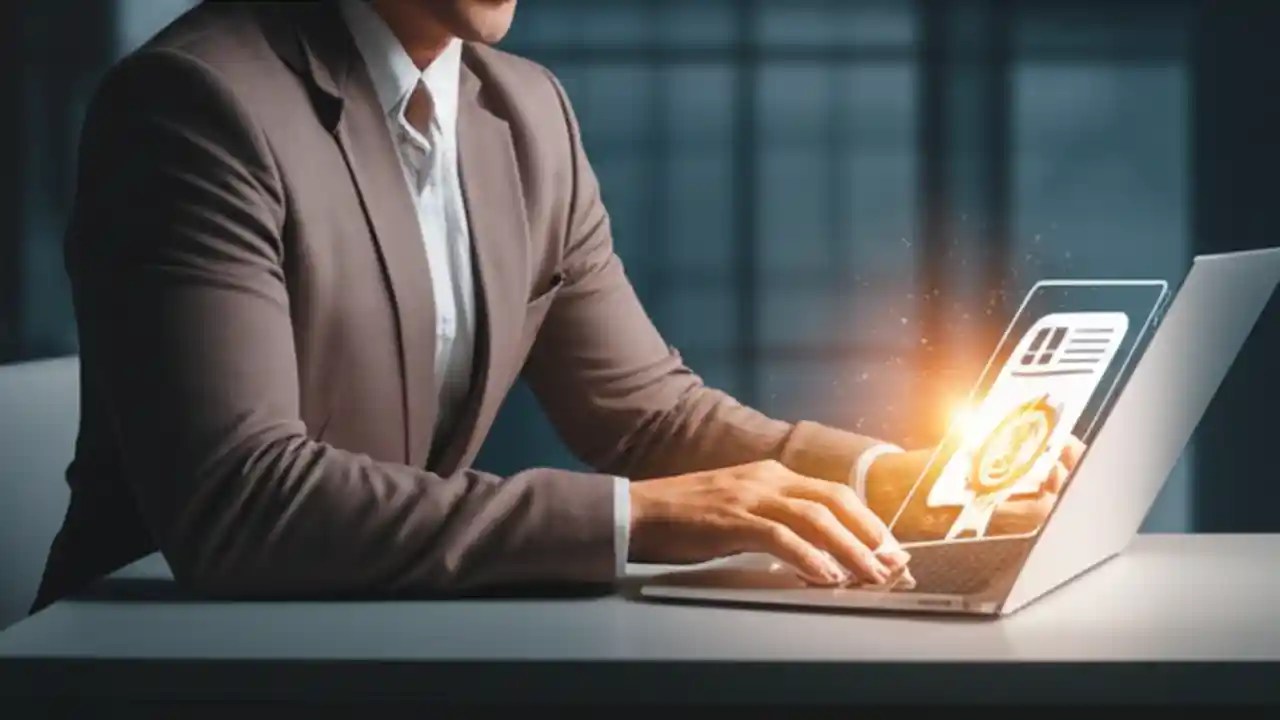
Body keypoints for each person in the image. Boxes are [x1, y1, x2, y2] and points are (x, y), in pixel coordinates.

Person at [31, 0, 1081, 611]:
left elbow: (645, 416)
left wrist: (886, 476)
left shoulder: (524, 112)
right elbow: (242, 504)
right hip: (158, 660)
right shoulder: (195, 105)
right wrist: (640, 519)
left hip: (377, 637)